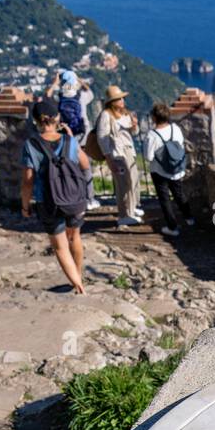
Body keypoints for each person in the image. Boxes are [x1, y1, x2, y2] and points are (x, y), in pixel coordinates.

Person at [21, 97, 91, 294]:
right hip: (74, 198)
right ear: (57, 117)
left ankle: (77, 286)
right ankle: (77, 277)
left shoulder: (31, 145)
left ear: (36, 121)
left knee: (60, 246)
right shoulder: (69, 141)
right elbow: (85, 165)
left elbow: (27, 180)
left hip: (48, 201)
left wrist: (25, 205)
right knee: (75, 236)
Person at [47, 69, 101, 210]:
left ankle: (72, 196)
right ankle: (89, 198)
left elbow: (47, 96)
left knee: (68, 166)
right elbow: (91, 93)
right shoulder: (81, 96)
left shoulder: (60, 98)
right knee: (85, 167)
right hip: (83, 136)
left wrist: (54, 83)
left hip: (66, 136)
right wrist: (81, 81)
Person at [143, 102, 195, 237]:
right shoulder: (175, 128)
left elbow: (148, 157)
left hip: (159, 171)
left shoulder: (152, 135)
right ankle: (189, 218)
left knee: (165, 199)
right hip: (176, 169)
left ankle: (173, 227)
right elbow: (180, 144)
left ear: (154, 118)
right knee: (179, 194)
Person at [96, 84, 143, 226]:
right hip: (117, 154)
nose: (122, 100)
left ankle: (132, 208)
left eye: (122, 97)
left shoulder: (125, 113)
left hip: (129, 152)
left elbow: (134, 133)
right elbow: (102, 138)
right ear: (112, 101)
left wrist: (135, 126)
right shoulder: (106, 115)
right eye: (119, 98)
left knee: (133, 181)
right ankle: (123, 215)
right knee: (123, 184)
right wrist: (108, 157)